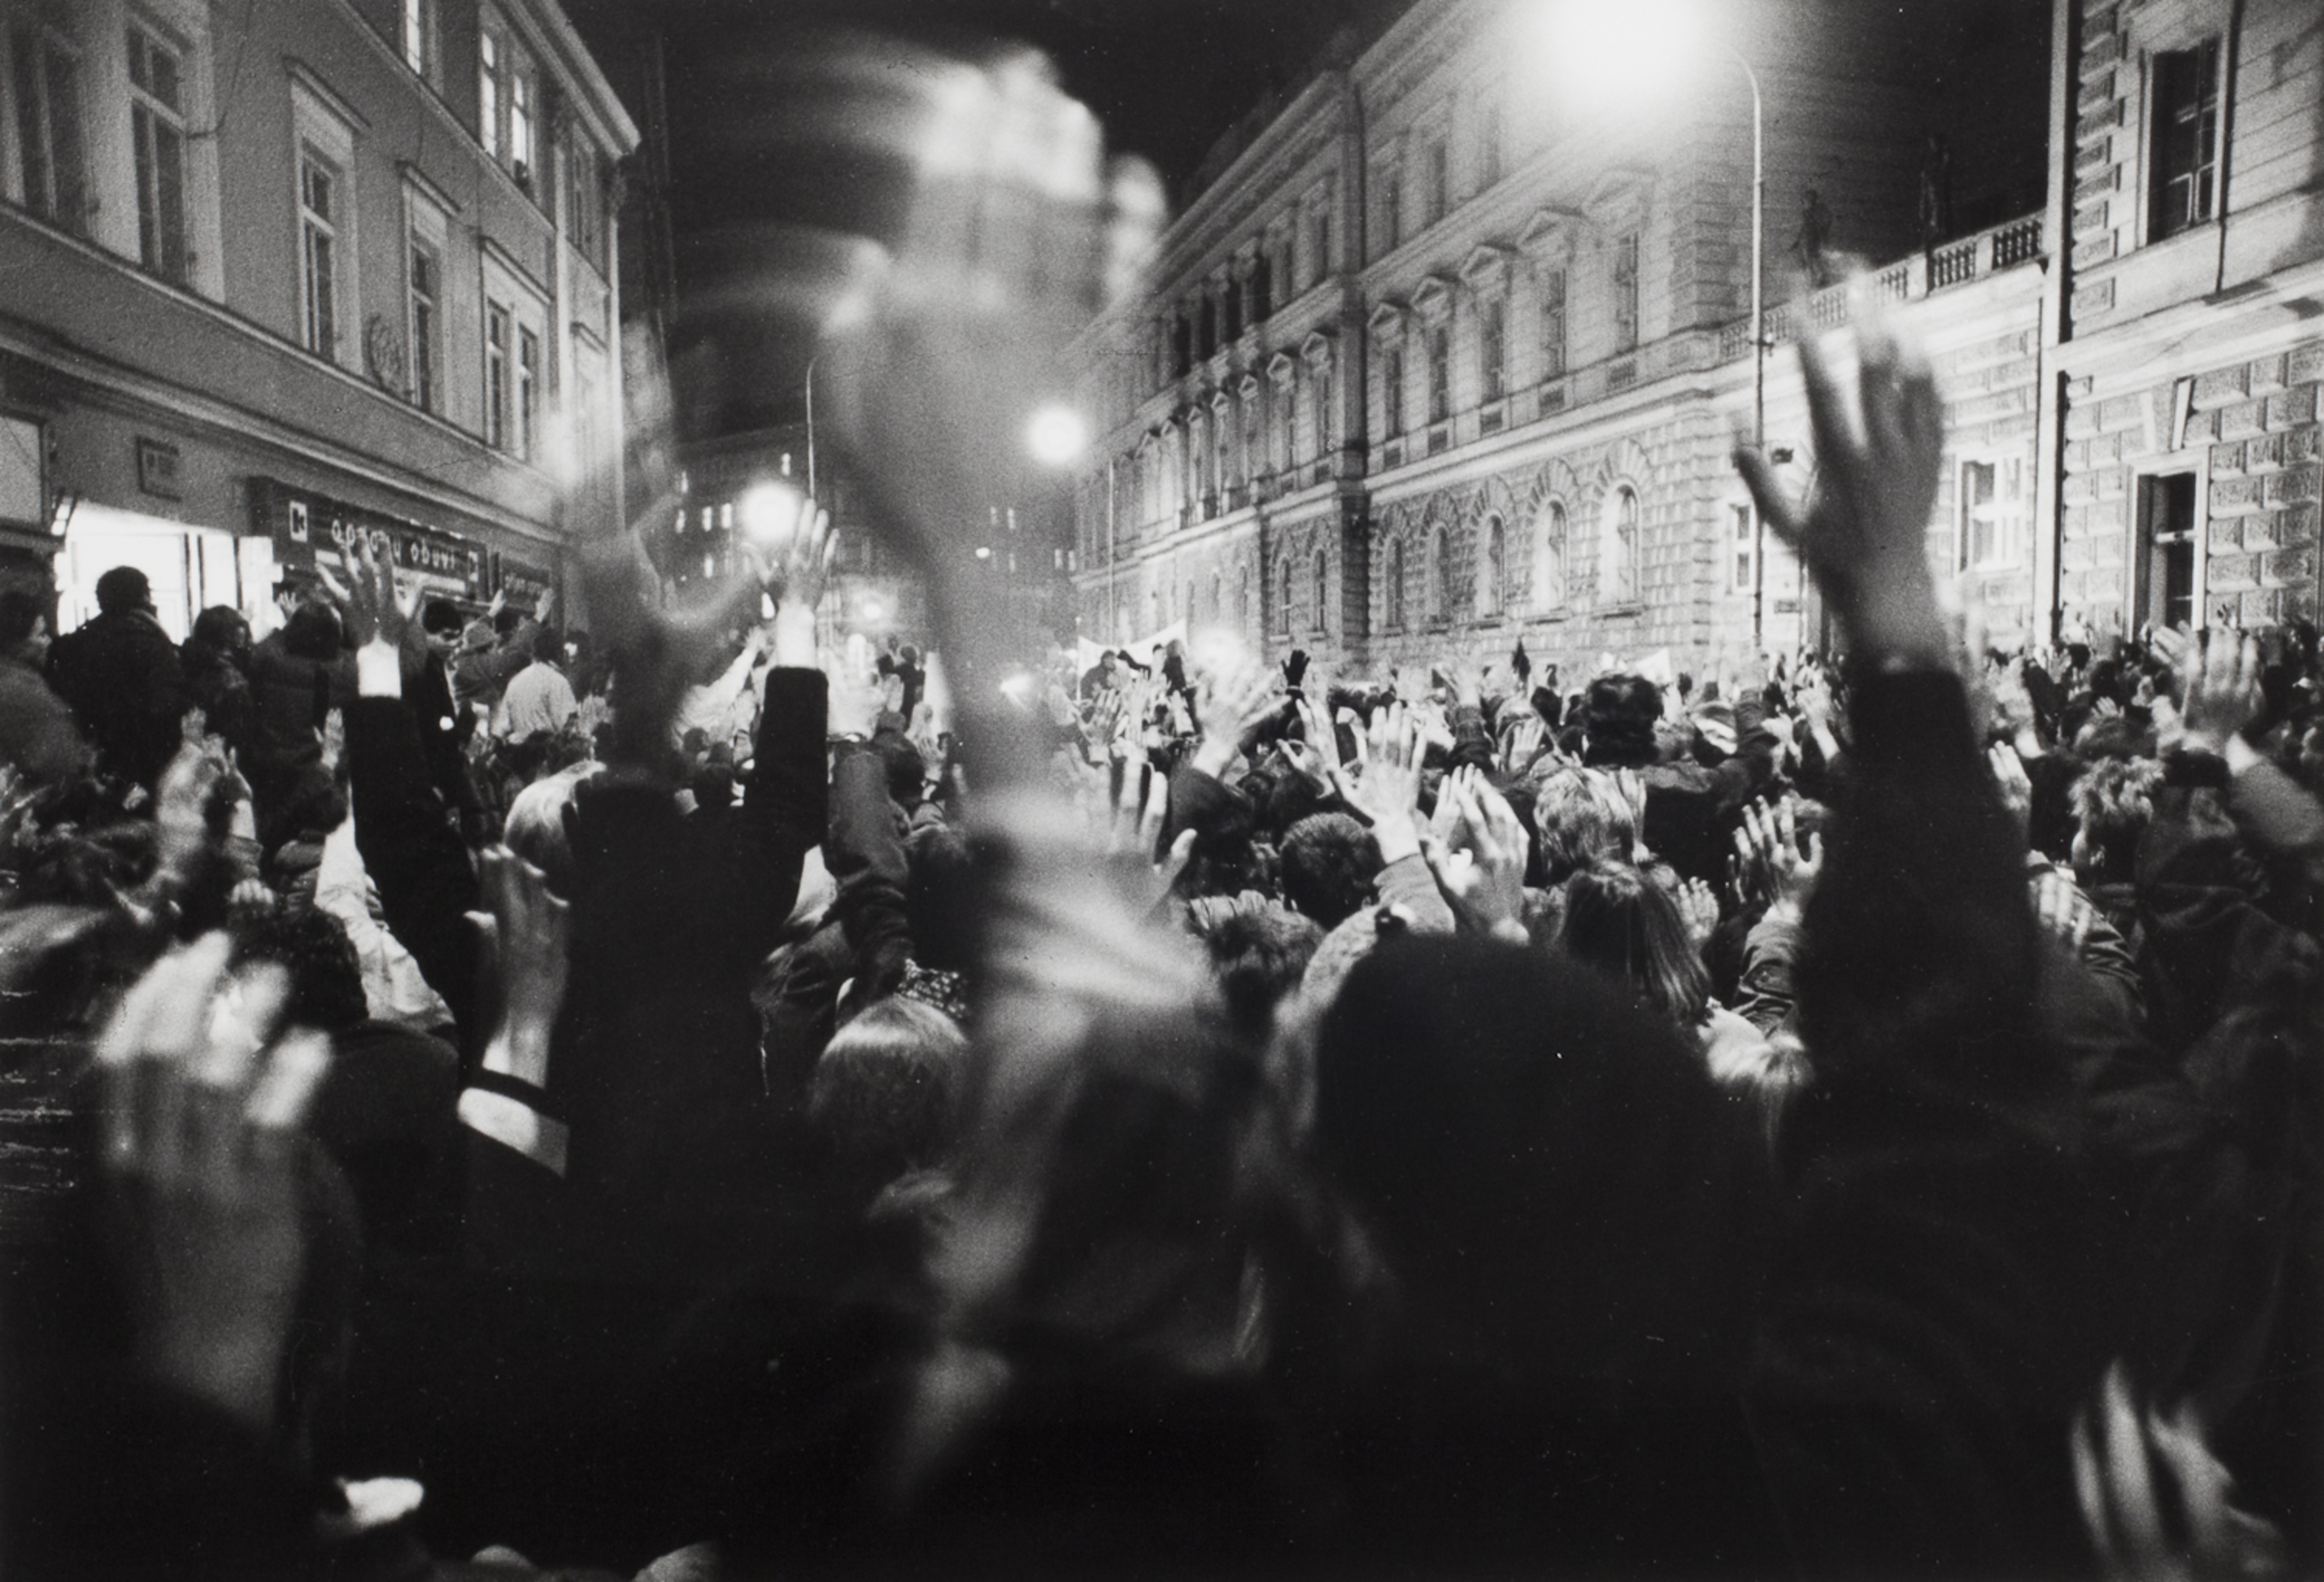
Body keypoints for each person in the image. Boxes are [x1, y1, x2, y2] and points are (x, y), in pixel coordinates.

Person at [45, 566, 186, 791]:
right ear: (144, 596)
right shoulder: (152, 643)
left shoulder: (72, 645)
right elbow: (166, 708)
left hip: (88, 759)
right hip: (144, 763)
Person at [500, 626, 579, 741]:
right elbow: (566, 727)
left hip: (518, 751)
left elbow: (503, 725)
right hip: (546, 751)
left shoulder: (516, 680)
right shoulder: (557, 681)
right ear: (558, 653)